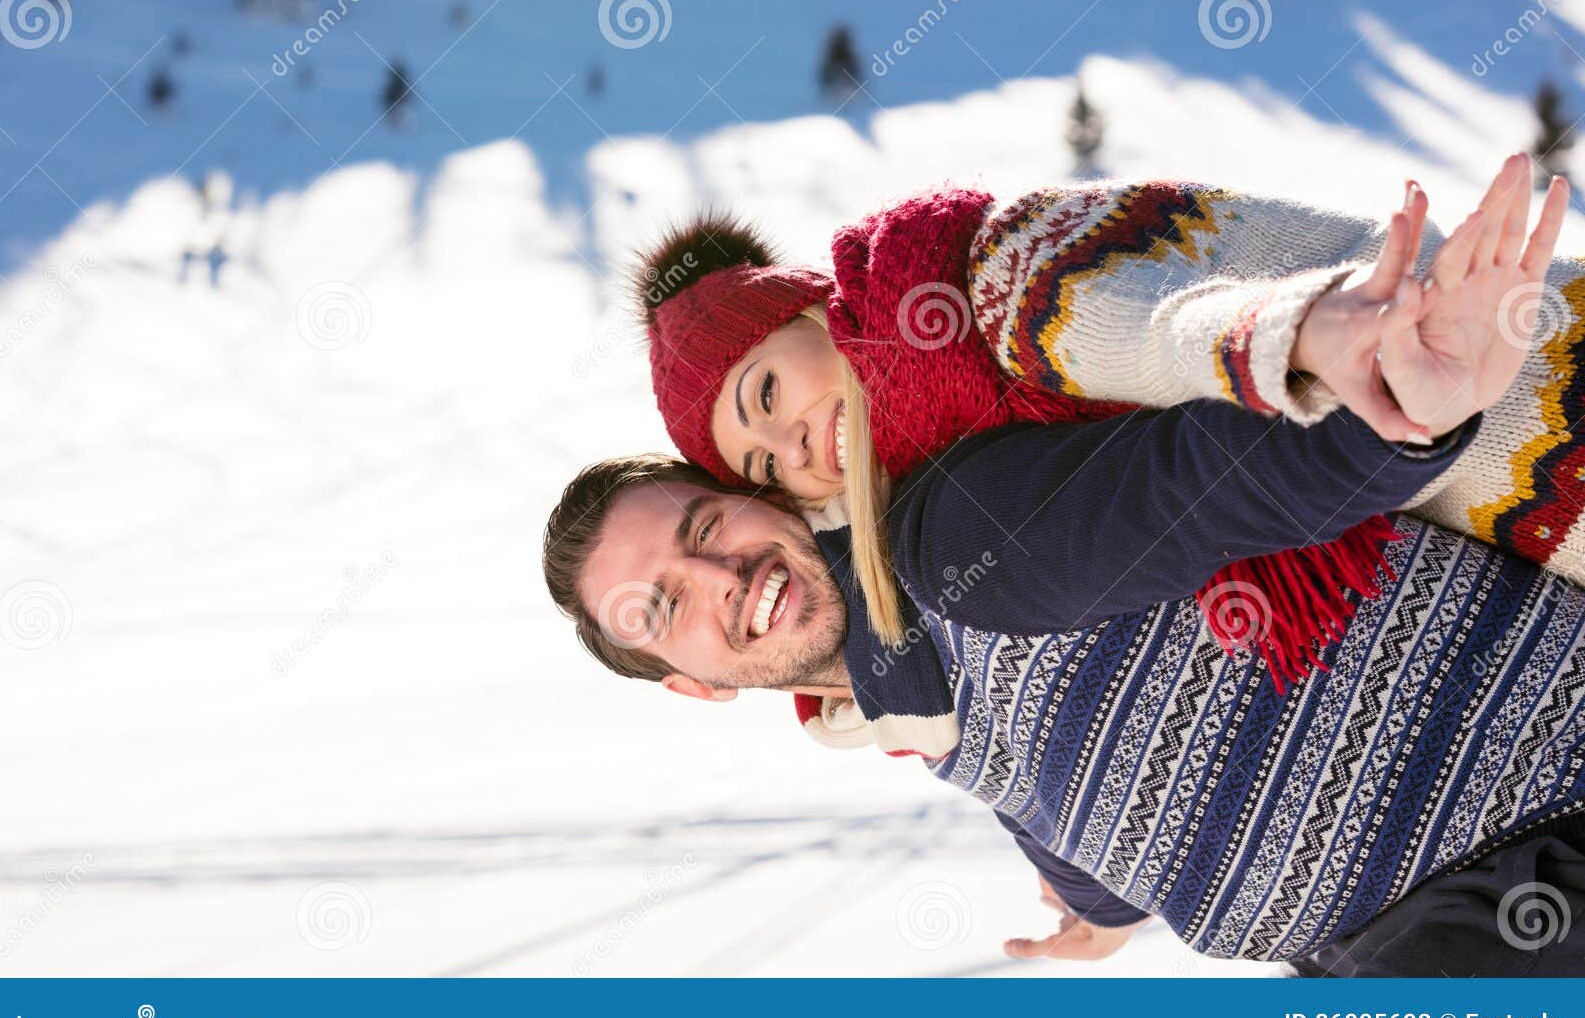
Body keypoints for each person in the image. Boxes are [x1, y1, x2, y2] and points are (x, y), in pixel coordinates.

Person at [542, 167, 1585, 970]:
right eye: (666, 603)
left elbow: (1191, 483)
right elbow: (1018, 762)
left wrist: (1387, 411)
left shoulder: (949, 539)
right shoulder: (900, 691)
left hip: (1519, 829)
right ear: (690, 683)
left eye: (703, 526)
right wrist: (1099, 898)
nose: (720, 573)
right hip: (1394, 927)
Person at [638, 154, 1576, 692]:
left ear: (810, 310)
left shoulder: (987, 277)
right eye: (764, 468)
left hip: (1530, 379)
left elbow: (1159, 327)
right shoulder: (951, 465)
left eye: (765, 396)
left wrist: (1302, 331)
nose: (793, 448)